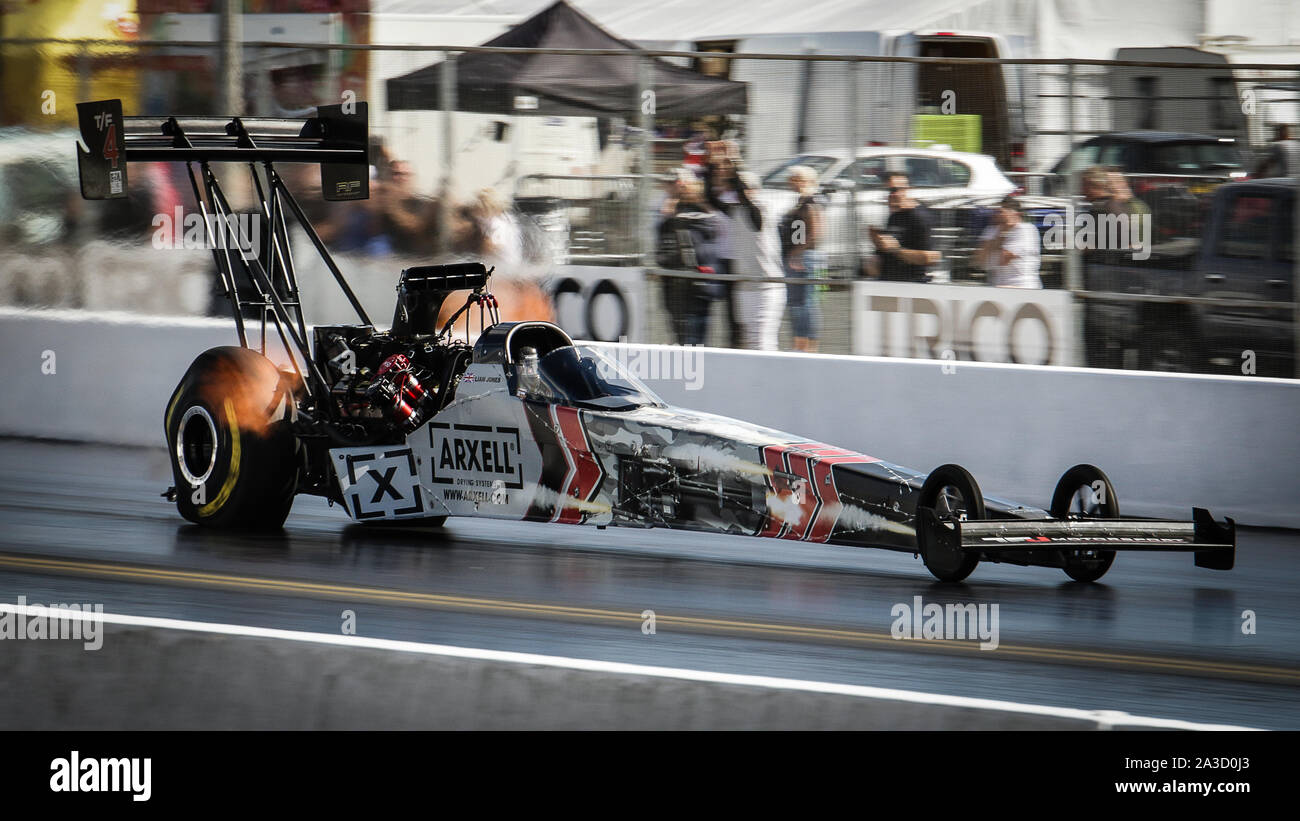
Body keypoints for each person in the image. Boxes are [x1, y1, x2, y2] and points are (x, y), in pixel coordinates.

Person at [656, 172, 721, 346]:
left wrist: (670, 205)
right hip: (703, 288)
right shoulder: (710, 217)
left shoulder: (674, 222)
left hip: (682, 291)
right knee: (699, 344)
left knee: (687, 346)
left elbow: (663, 256)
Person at [779, 165, 825, 351]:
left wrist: (797, 253)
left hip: (804, 258)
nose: (791, 182)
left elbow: (815, 232)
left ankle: (807, 345)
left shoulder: (810, 202)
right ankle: (800, 342)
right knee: (798, 304)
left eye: (796, 179)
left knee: (806, 304)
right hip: (798, 256)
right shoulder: (801, 203)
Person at [867, 181, 939, 281]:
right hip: (888, 281)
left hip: (910, 283)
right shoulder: (894, 217)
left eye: (894, 190)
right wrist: (877, 246)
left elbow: (932, 258)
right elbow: (881, 256)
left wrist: (896, 250)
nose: (890, 195)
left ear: (907, 190)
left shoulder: (920, 217)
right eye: (888, 191)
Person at [975, 196, 1041, 288]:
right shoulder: (991, 230)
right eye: (998, 212)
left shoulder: (1026, 229)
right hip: (997, 286)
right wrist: (1003, 232)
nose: (998, 215)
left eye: (1002, 212)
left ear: (1016, 214)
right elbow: (981, 261)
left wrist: (992, 247)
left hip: (1023, 287)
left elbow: (1004, 258)